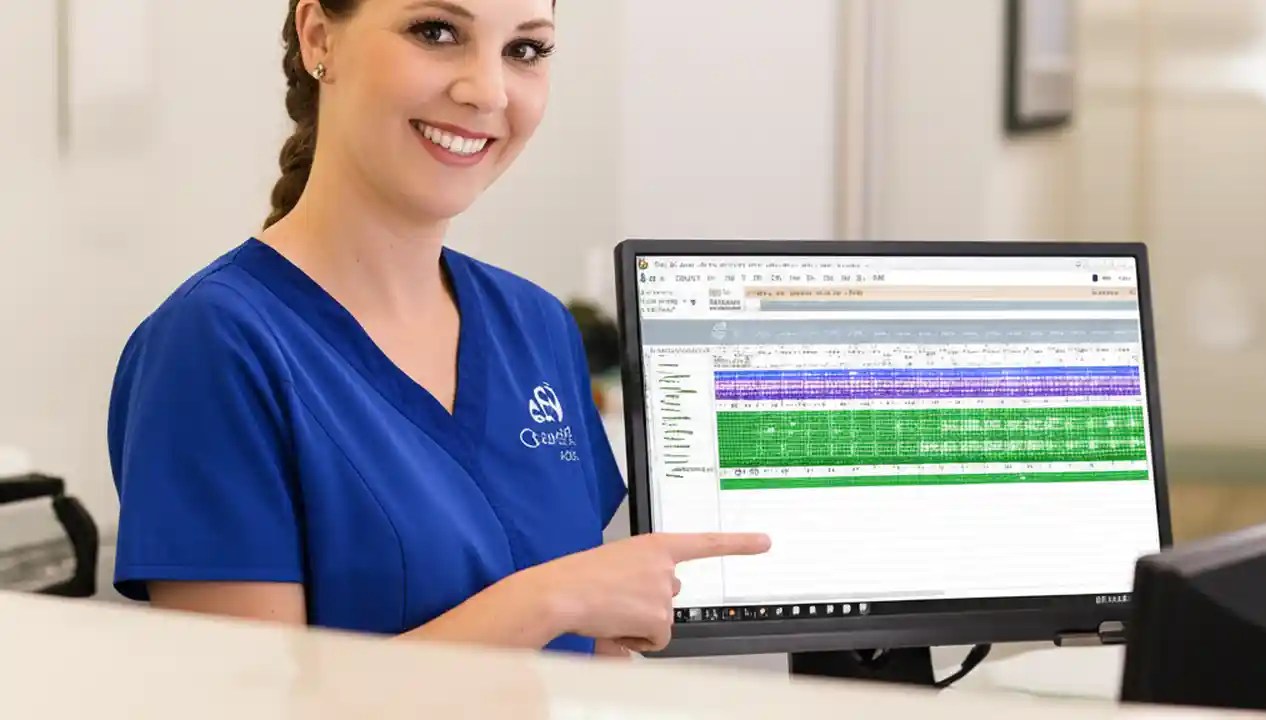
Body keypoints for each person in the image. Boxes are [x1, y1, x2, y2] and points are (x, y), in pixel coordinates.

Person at [106, 0, 770, 656]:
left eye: (524, 50)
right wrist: (547, 601)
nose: (487, 91)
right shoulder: (215, 346)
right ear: (318, 39)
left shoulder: (536, 326)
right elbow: (245, 704)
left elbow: (596, 660)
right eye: (437, 31)